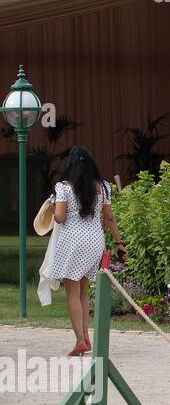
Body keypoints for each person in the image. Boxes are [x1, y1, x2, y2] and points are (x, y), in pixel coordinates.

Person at [46, 147, 125, 357]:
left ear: (69, 165)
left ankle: (80, 340)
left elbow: (60, 218)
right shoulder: (104, 187)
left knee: (71, 291)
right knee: (83, 290)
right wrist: (119, 243)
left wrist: (52, 208)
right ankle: (86, 336)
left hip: (72, 241)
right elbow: (109, 219)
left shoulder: (63, 188)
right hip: (94, 242)